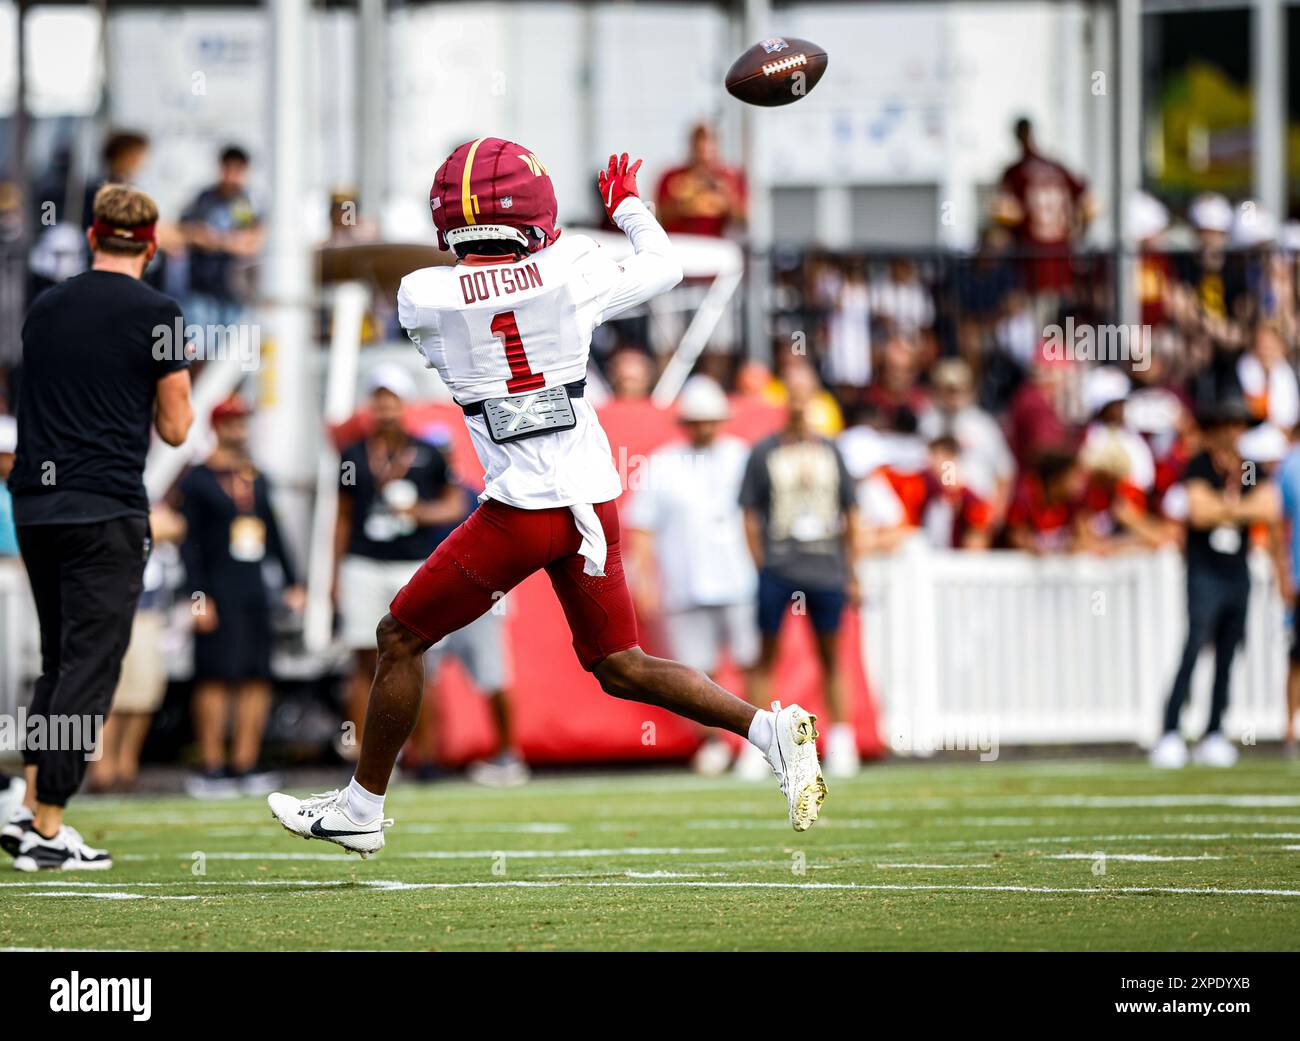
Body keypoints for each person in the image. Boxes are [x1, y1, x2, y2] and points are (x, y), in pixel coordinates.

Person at [268, 141, 826, 855]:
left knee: (399, 637)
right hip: (594, 503)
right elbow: (662, 265)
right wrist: (627, 204)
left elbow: (446, 279)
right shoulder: (573, 270)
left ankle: (363, 805)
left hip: (521, 510)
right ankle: (769, 730)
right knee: (619, 661)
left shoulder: (423, 296)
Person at [2, 185, 192, 870]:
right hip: (104, 505)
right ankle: (48, 827)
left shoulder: (46, 306)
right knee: (91, 666)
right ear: (151, 242)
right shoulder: (160, 311)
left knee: (59, 660)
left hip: (34, 503)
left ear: (91, 237)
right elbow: (175, 426)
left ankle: (28, 806)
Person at [627, 376, 758, 776]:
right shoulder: (663, 464)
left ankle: (757, 743)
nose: (704, 427)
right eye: (697, 420)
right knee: (695, 671)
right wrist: (645, 581)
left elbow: (759, 519)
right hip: (685, 584)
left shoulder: (743, 456)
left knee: (751, 663)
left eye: (710, 420)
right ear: (685, 423)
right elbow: (642, 529)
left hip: (740, 579)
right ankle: (714, 743)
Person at [334, 364, 466, 756]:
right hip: (363, 561)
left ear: (404, 404)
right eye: (379, 400)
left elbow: (454, 503)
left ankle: (423, 755)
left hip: (412, 562)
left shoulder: (426, 451)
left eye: (392, 400)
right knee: (363, 657)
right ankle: (359, 752)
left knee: (420, 658)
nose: (385, 408)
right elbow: (341, 516)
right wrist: (333, 572)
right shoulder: (352, 455)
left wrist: (422, 514)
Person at [738, 363, 860, 780]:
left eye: (804, 394)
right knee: (765, 654)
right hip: (781, 564)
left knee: (830, 653)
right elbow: (750, 514)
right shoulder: (764, 451)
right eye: (791, 393)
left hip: (825, 564)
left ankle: (842, 738)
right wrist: (763, 564)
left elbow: (851, 513)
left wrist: (852, 569)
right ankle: (757, 745)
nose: (797, 402)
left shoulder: (832, 450)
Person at [179, 395, 303, 797]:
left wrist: (292, 581)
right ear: (216, 427)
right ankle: (213, 766)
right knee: (215, 675)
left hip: (252, 589)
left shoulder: (256, 476)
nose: (239, 429)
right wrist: (197, 596)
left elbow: (275, 534)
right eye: (232, 422)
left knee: (255, 673)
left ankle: (245, 763)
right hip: (216, 588)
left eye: (243, 421)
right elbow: (189, 544)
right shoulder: (197, 479)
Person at [1150, 400, 1280, 769]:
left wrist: (1225, 507)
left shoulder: (1250, 470)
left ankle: (1214, 731)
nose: (1232, 432)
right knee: (1195, 643)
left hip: (1236, 571)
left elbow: (1267, 509)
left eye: (1237, 424)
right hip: (1204, 570)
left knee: (1229, 649)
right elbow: (1199, 511)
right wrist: (1237, 508)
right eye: (1225, 424)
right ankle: (1171, 729)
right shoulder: (1200, 465)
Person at [87, 504, 186, 793]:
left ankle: (126, 764)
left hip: (149, 615)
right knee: (110, 694)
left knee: (144, 695)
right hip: (112, 614)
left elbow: (174, 526)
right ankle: (102, 768)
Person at [992, 117, 1093, 302]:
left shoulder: (1016, 172)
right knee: (1058, 319)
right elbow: (1089, 202)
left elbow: (1003, 215)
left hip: (1031, 257)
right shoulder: (1057, 167)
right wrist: (1079, 235)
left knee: (1039, 319)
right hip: (1061, 254)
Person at [179, 145, 263, 334]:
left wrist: (216, 240)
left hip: (235, 290)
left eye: (237, 170)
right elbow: (188, 232)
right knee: (198, 346)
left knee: (231, 349)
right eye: (228, 169)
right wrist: (228, 241)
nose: (231, 176)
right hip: (202, 288)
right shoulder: (204, 199)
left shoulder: (245, 203)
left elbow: (251, 242)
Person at [653, 123, 747, 238]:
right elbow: (657, 216)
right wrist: (686, 200)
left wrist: (725, 197)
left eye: (709, 143)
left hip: (714, 246)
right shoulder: (671, 177)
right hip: (678, 244)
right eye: (699, 145)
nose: (703, 151)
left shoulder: (729, 178)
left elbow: (745, 219)